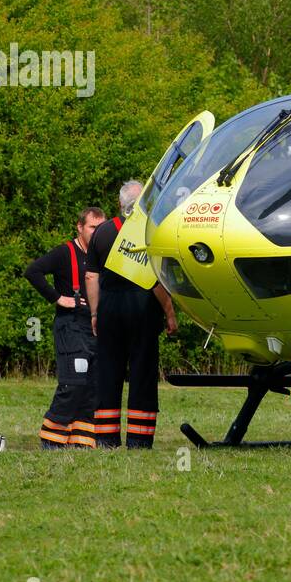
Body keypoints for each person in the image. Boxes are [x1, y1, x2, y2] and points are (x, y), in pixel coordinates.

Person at [84, 180, 179, 449]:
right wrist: (170, 314)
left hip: (109, 309)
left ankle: (106, 439)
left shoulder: (102, 232)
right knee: (142, 372)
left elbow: (91, 276)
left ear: (119, 205)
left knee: (108, 373)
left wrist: (94, 313)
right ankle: (139, 439)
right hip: (143, 308)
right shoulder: (150, 233)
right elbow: (157, 282)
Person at [24, 207, 106, 449]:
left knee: (92, 385)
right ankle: (52, 440)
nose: (97, 232)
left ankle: (82, 441)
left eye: (101, 228)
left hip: (94, 327)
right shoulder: (64, 252)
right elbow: (33, 271)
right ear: (79, 227)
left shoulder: (103, 254)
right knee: (74, 381)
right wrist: (57, 297)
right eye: (92, 227)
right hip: (70, 326)